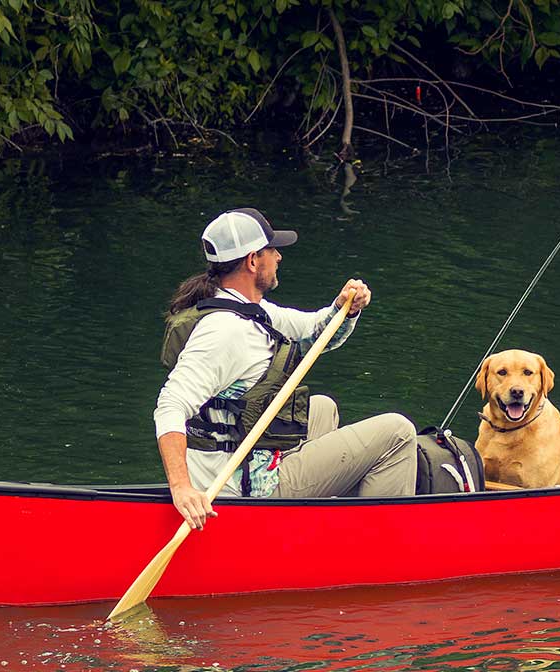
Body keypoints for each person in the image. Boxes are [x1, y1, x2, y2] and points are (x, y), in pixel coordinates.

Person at [154, 207, 422, 529]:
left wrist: (344, 308)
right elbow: (170, 405)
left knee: (322, 408)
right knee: (398, 431)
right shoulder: (226, 331)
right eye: (272, 250)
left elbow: (316, 332)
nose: (279, 257)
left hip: (242, 460)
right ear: (253, 261)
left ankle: (314, 522)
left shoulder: (247, 310)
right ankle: (376, 540)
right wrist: (182, 488)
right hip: (242, 489)